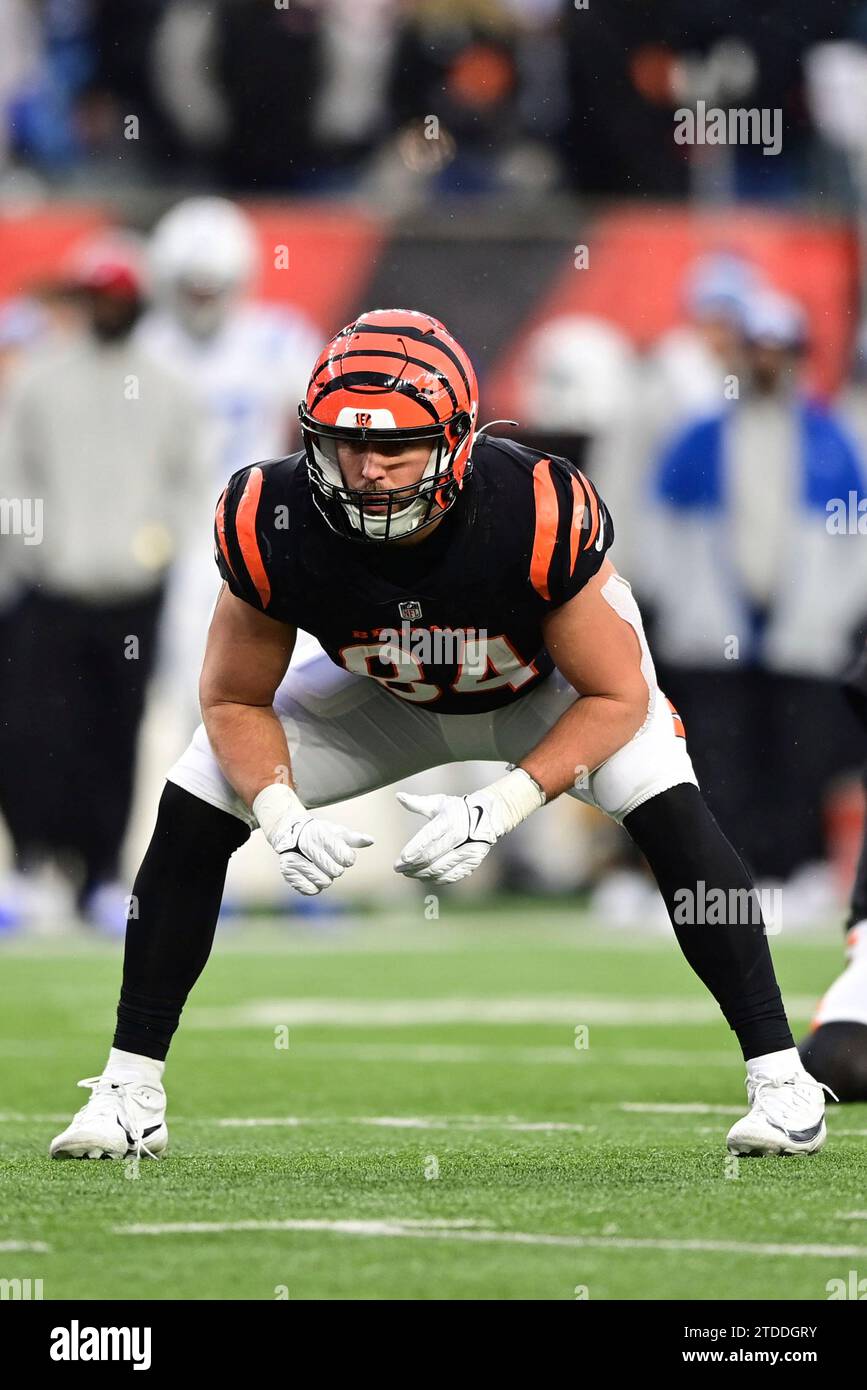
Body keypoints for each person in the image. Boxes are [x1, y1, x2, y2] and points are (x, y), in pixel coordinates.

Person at [50, 308, 831, 1161]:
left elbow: (615, 695)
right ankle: (131, 1090)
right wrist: (277, 811)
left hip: (550, 692)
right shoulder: (268, 515)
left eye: (397, 447)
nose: (369, 470)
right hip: (385, 694)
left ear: (456, 442)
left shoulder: (534, 507)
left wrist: (500, 806)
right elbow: (234, 699)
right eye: (346, 444)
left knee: (666, 806)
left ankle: (781, 1079)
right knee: (200, 793)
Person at [0, 231, 204, 931]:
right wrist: (35, 551)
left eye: (120, 297)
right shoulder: (40, 380)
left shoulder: (172, 387)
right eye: (99, 297)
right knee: (32, 734)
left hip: (130, 595)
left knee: (115, 735)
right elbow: (12, 473)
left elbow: (187, 483)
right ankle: (31, 866)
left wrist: (159, 549)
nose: (109, 308)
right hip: (50, 594)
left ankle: (104, 873)